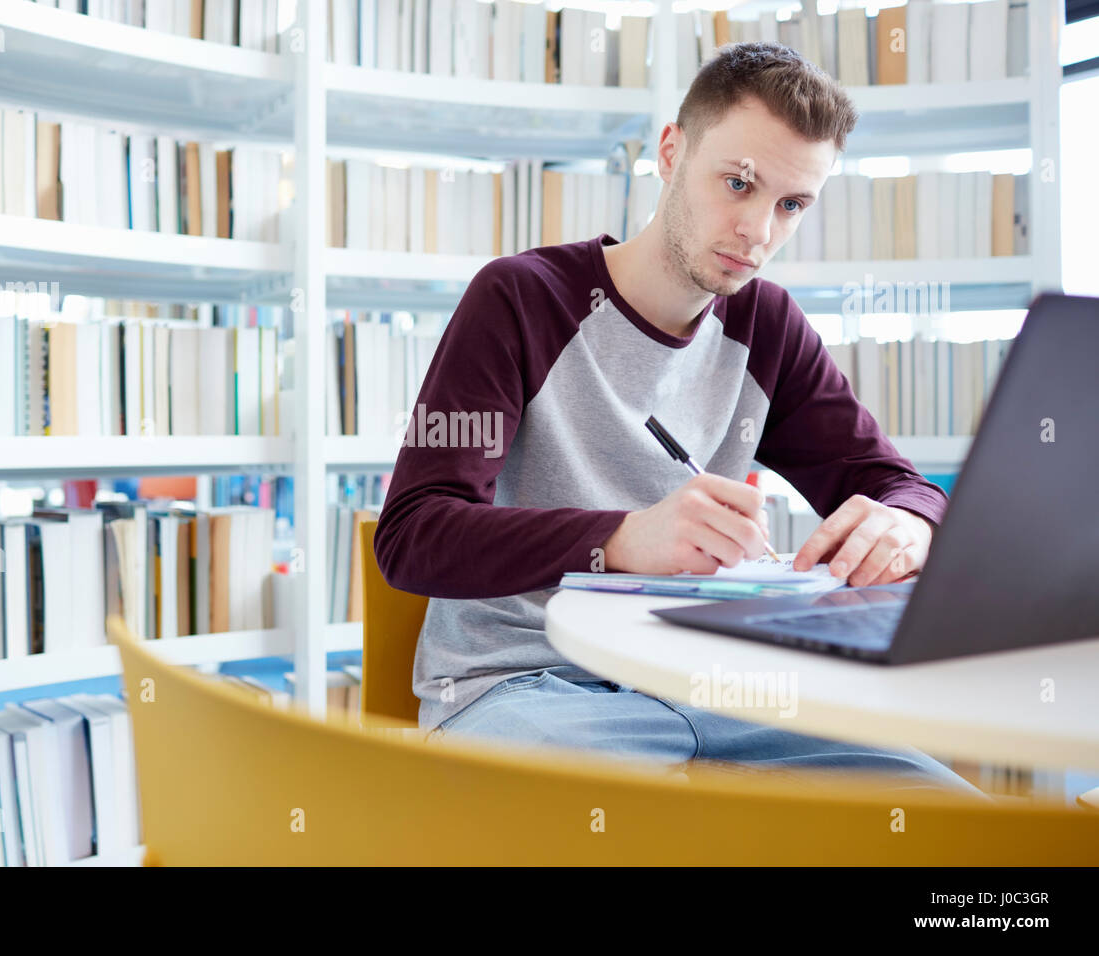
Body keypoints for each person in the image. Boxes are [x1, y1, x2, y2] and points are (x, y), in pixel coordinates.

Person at [373, 42, 982, 796]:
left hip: (719, 687)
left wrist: (911, 522)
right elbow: (412, 535)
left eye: (792, 205)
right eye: (738, 183)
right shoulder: (521, 298)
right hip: (527, 684)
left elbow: (893, 483)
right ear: (671, 152)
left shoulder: (769, 327)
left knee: (956, 819)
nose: (759, 231)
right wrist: (623, 539)